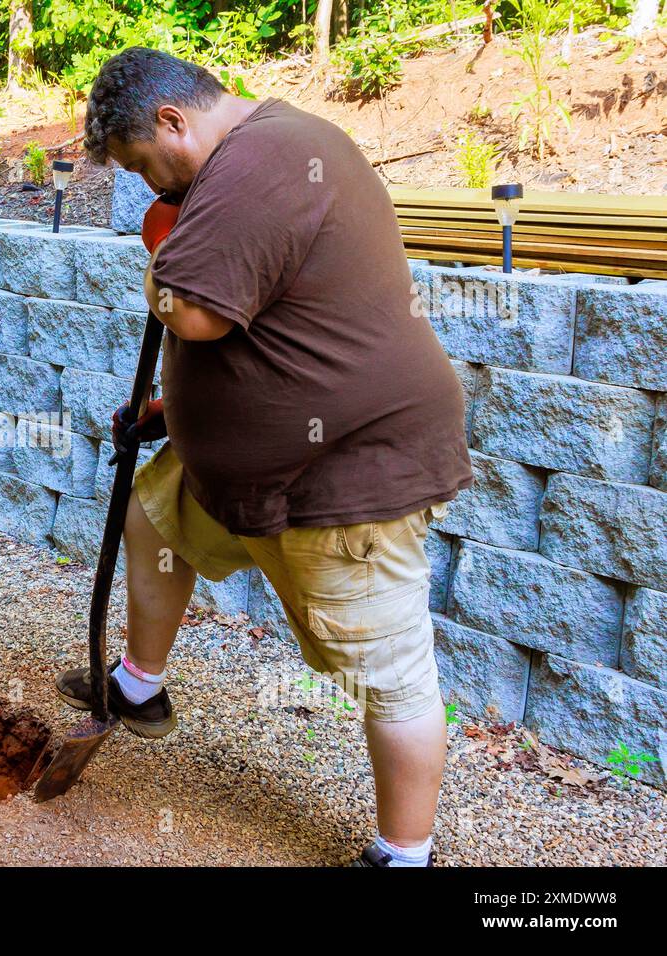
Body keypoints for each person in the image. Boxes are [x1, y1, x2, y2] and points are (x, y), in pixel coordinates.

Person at [55, 46, 472, 867]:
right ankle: (140, 687)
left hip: (347, 473)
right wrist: (178, 414)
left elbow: (197, 312)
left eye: (144, 164)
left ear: (175, 119)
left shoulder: (270, 156)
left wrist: (159, 260)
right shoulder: (249, 159)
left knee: (385, 670)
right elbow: (288, 322)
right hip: (244, 468)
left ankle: (405, 853)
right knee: (155, 516)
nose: (149, 186)